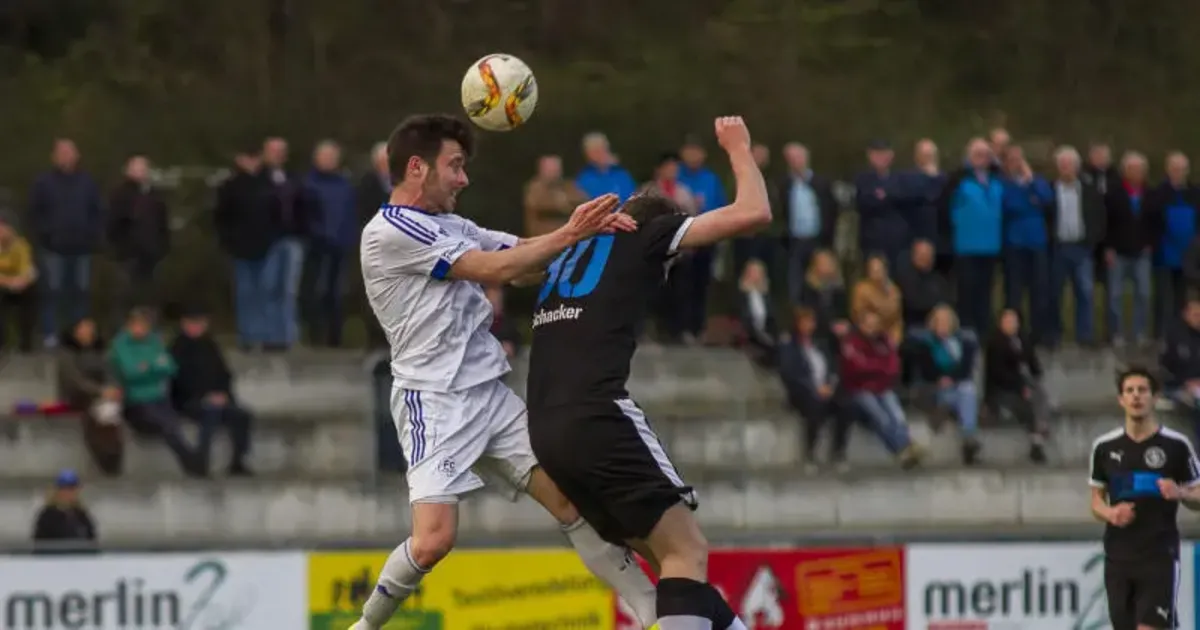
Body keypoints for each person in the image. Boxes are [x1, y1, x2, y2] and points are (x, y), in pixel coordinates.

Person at [352, 114, 657, 630]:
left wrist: (591, 236)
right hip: (434, 401)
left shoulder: (452, 225)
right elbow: (494, 269)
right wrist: (570, 232)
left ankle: (654, 613)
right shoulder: (392, 231)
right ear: (417, 168)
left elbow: (523, 259)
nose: (463, 178)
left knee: (570, 500)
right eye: (455, 166)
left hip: (489, 394)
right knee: (433, 541)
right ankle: (365, 626)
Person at [526, 116, 765, 630]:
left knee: (673, 563)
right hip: (596, 418)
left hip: (545, 431)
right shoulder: (648, 233)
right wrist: (739, 148)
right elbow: (754, 212)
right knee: (687, 551)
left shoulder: (570, 252)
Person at [1089, 367, 1200, 630]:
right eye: (1130, 391)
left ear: (1154, 397)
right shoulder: (1104, 447)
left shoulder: (1176, 445)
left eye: (1142, 390)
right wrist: (1111, 514)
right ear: (1121, 399)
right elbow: (1095, 502)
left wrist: (1180, 492)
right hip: (1118, 558)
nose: (1136, 396)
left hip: (1159, 556)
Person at [109, 307, 202, 476]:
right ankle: (193, 463)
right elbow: (130, 373)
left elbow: (170, 368)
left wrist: (147, 367)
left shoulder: (154, 342)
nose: (140, 329)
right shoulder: (120, 345)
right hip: (135, 401)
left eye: (144, 325)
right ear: (129, 326)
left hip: (159, 397)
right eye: (136, 325)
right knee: (167, 425)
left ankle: (194, 463)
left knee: (174, 424)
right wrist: (154, 367)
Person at [169, 305, 254, 476]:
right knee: (210, 414)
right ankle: (201, 462)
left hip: (217, 398)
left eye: (200, 323)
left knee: (242, 416)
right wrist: (204, 397)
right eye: (193, 323)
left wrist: (224, 394)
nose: (197, 327)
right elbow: (180, 380)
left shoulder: (210, 345)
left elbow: (224, 374)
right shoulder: (178, 348)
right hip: (188, 401)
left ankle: (238, 462)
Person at [840, 309, 923, 469]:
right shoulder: (851, 342)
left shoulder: (885, 341)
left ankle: (906, 451)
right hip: (860, 389)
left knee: (898, 417)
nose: (871, 327)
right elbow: (855, 368)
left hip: (883, 388)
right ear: (860, 324)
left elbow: (893, 368)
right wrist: (879, 367)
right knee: (881, 418)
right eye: (868, 324)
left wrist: (872, 367)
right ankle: (905, 449)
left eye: (875, 324)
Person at [779, 307, 854, 474]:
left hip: (826, 388)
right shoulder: (789, 345)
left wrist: (829, 385)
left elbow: (833, 367)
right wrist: (815, 388)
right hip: (803, 391)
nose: (809, 325)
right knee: (815, 404)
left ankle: (838, 453)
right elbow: (791, 374)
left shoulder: (820, 344)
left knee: (846, 405)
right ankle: (810, 454)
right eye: (805, 322)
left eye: (811, 322)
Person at [56, 317, 124, 476]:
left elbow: (110, 372)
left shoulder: (101, 351)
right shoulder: (66, 353)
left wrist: (112, 388)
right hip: (78, 395)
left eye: (90, 328)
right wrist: (100, 391)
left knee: (111, 418)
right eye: (83, 328)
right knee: (97, 418)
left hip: (102, 395)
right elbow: (74, 380)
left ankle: (114, 460)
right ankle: (104, 460)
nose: (87, 332)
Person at [914, 305, 981, 465]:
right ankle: (968, 439)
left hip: (957, 386)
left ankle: (968, 438)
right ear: (933, 324)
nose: (942, 326)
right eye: (939, 322)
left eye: (945, 322)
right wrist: (941, 378)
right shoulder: (926, 344)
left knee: (967, 389)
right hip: (936, 389)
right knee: (964, 394)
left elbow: (966, 369)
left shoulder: (963, 342)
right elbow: (926, 371)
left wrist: (951, 378)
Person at [984, 308, 1050, 464]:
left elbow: (1035, 368)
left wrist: (1030, 377)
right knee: (1028, 403)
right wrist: (1021, 387)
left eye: (1013, 321)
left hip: (1022, 385)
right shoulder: (995, 344)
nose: (1010, 325)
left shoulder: (1023, 341)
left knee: (1039, 393)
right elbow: (998, 374)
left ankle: (1038, 435)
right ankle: (1038, 437)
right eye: (1006, 321)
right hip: (1002, 390)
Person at [32, 469, 97, 554]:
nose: (68, 493)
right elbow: (40, 544)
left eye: (71, 489)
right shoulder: (47, 516)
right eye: (64, 489)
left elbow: (91, 541)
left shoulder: (81, 515)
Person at [0, 212, 37, 352]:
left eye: (3, 228)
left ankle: (26, 343)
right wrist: (8, 281)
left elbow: (26, 271)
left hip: (20, 286)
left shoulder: (21, 245)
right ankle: (2, 342)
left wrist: (19, 281)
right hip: (3, 286)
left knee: (30, 295)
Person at [796, 249, 848, 341]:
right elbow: (810, 314)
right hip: (816, 333)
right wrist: (831, 326)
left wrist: (843, 323)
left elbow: (843, 312)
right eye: (822, 263)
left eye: (828, 263)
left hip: (838, 332)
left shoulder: (838, 287)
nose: (826, 266)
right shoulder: (808, 288)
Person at [850, 254, 903, 344]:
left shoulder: (894, 290)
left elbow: (897, 320)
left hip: (890, 336)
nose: (876, 272)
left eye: (879, 269)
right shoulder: (861, 289)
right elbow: (858, 315)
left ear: (885, 270)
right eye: (873, 269)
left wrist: (896, 338)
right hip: (868, 334)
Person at [737, 259, 779, 368]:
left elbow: (772, 318)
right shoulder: (740, 295)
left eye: (758, 272)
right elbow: (741, 317)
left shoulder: (766, 296)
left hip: (765, 333)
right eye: (752, 272)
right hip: (748, 333)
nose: (755, 275)